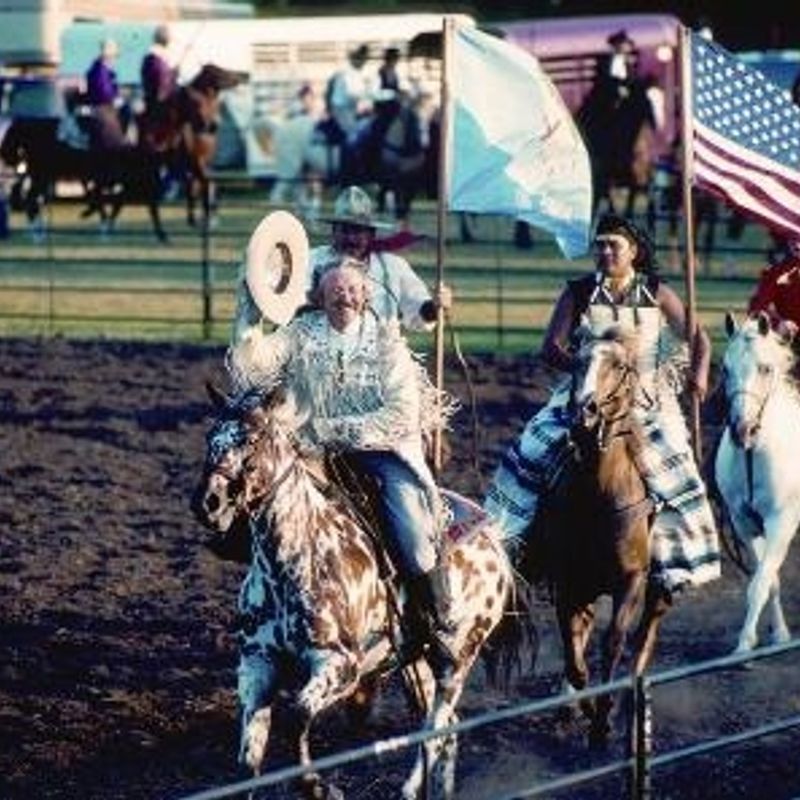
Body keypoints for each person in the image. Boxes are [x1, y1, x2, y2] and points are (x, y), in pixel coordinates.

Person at [227, 259, 458, 675]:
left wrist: (328, 429)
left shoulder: (387, 343)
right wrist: (249, 311)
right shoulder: (300, 334)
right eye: (334, 291)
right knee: (259, 502)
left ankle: (438, 624)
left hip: (384, 454)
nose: (343, 297)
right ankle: (267, 607)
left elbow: (400, 416)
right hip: (311, 452)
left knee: (413, 535)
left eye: (351, 290)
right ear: (319, 298)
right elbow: (252, 367)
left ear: (366, 294)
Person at [483, 213, 721, 599]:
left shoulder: (657, 292)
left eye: (615, 245)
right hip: (585, 393)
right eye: (601, 245)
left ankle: (674, 561)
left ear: (634, 252)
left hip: (647, 399)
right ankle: (513, 537)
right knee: (530, 449)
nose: (606, 252)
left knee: (677, 468)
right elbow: (550, 348)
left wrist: (700, 375)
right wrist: (588, 365)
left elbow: (701, 340)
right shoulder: (578, 291)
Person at [748, 235, 800, 337]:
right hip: (790, 338)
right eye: (794, 239)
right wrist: (778, 324)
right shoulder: (777, 272)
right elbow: (756, 308)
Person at [325, 44, 374, 143]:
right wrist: (363, 104)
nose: (363, 63)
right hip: (341, 109)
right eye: (361, 59)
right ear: (355, 59)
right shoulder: (346, 73)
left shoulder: (357, 74)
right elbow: (352, 94)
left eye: (365, 60)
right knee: (353, 136)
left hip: (350, 109)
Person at [84, 38, 126, 150]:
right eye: (114, 57)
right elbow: (105, 94)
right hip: (104, 115)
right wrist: (117, 99)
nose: (114, 61)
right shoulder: (101, 72)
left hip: (101, 114)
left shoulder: (98, 70)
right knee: (113, 146)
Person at [140, 24, 177, 131]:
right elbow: (162, 82)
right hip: (159, 104)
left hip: (157, 99)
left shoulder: (154, 57)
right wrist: (173, 75)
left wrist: (173, 73)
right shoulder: (155, 58)